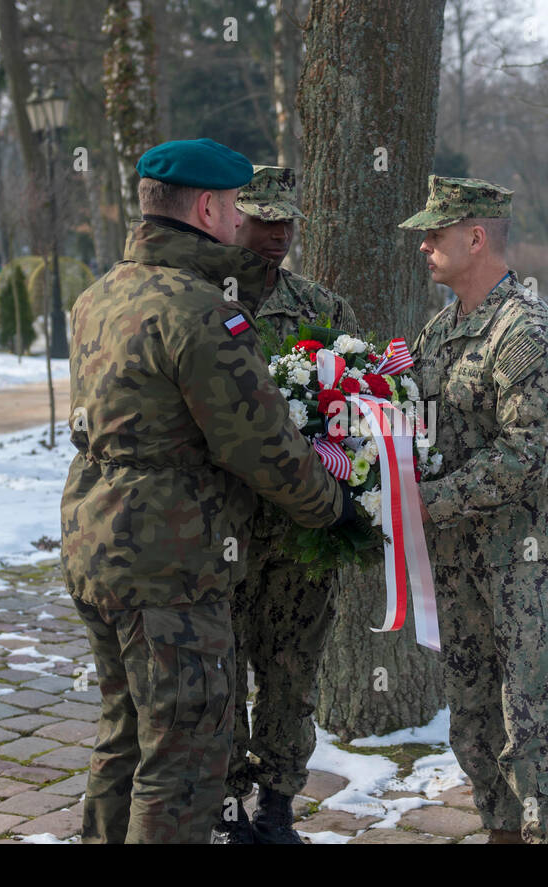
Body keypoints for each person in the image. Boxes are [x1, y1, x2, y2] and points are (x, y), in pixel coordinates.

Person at [60, 138, 351, 844]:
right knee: (184, 761)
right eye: (233, 206)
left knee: (124, 738)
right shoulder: (202, 312)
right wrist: (333, 508)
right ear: (209, 207)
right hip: (171, 564)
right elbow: (263, 447)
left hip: (97, 545)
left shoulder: (99, 298)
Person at [399, 175, 548, 844]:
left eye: (435, 232)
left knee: (540, 748)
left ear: (475, 237)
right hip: (462, 568)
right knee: (476, 736)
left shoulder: (528, 331)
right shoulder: (441, 328)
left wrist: (424, 503)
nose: (424, 243)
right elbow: (422, 420)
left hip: (530, 566)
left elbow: (524, 458)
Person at [213, 166, 362, 844]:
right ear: (229, 220)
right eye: (261, 220)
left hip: (303, 539)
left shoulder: (323, 309)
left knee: (291, 676)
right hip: (224, 534)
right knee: (219, 676)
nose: (276, 233)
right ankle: (223, 806)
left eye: (286, 221)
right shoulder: (201, 304)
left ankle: (276, 807)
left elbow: (361, 410)